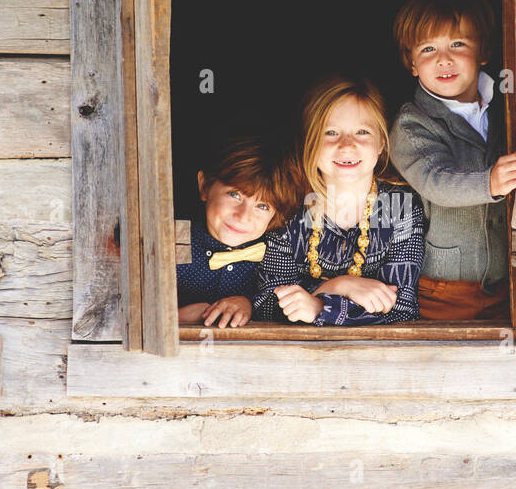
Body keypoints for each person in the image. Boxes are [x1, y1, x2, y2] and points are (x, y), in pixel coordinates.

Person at [388, 0, 516, 320]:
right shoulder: (412, 124)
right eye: (427, 49)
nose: (443, 59)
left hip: (510, 284)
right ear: (411, 64)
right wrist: (491, 182)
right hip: (441, 289)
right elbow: (436, 182)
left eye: (457, 43)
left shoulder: (509, 107)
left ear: (482, 51)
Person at [253, 75, 425, 326]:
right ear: (309, 143)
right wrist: (342, 286)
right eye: (330, 132)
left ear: (381, 143)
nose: (347, 145)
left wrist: (318, 305)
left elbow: (401, 309)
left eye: (362, 132)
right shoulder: (289, 204)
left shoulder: (400, 207)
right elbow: (267, 304)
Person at [176, 135, 300, 328]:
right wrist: (175, 317)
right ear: (205, 187)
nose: (243, 216)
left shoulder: (276, 251)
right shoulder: (175, 238)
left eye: (262, 206)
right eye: (234, 195)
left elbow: (279, 306)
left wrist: (248, 304)